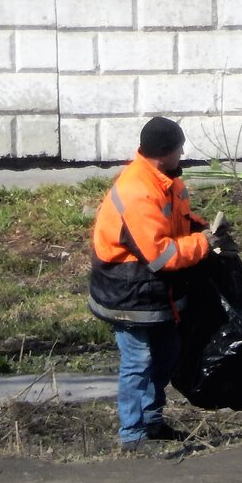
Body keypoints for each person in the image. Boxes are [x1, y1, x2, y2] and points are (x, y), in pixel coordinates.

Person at [88, 116, 230, 452]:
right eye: (180, 147)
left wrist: (201, 228)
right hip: (128, 292)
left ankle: (151, 422)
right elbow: (161, 255)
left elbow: (175, 223)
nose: (183, 153)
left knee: (167, 353)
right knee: (138, 361)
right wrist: (205, 244)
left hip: (152, 290)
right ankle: (133, 435)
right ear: (165, 152)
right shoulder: (138, 191)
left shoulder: (165, 180)